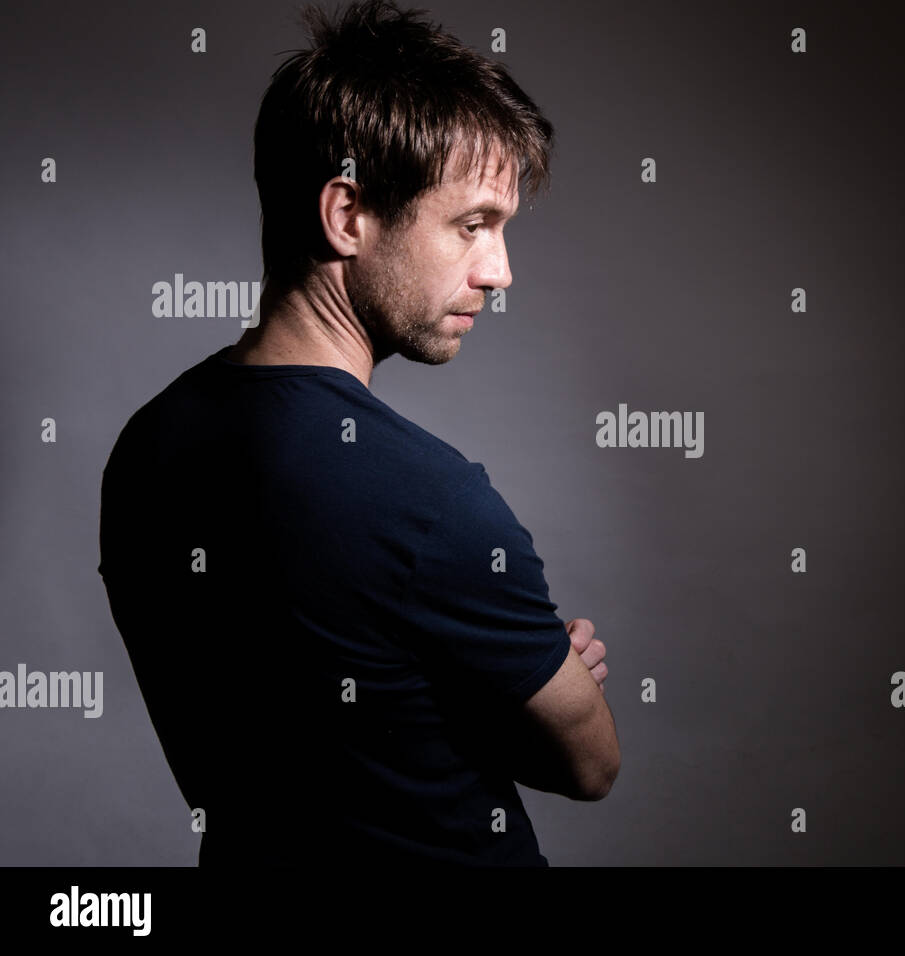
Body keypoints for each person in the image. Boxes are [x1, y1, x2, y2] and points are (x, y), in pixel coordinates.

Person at [97, 0, 619, 867]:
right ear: (347, 215)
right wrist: (505, 683)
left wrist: (446, 681)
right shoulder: (433, 501)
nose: (499, 272)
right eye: (472, 225)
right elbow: (592, 763)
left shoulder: (146, 448)